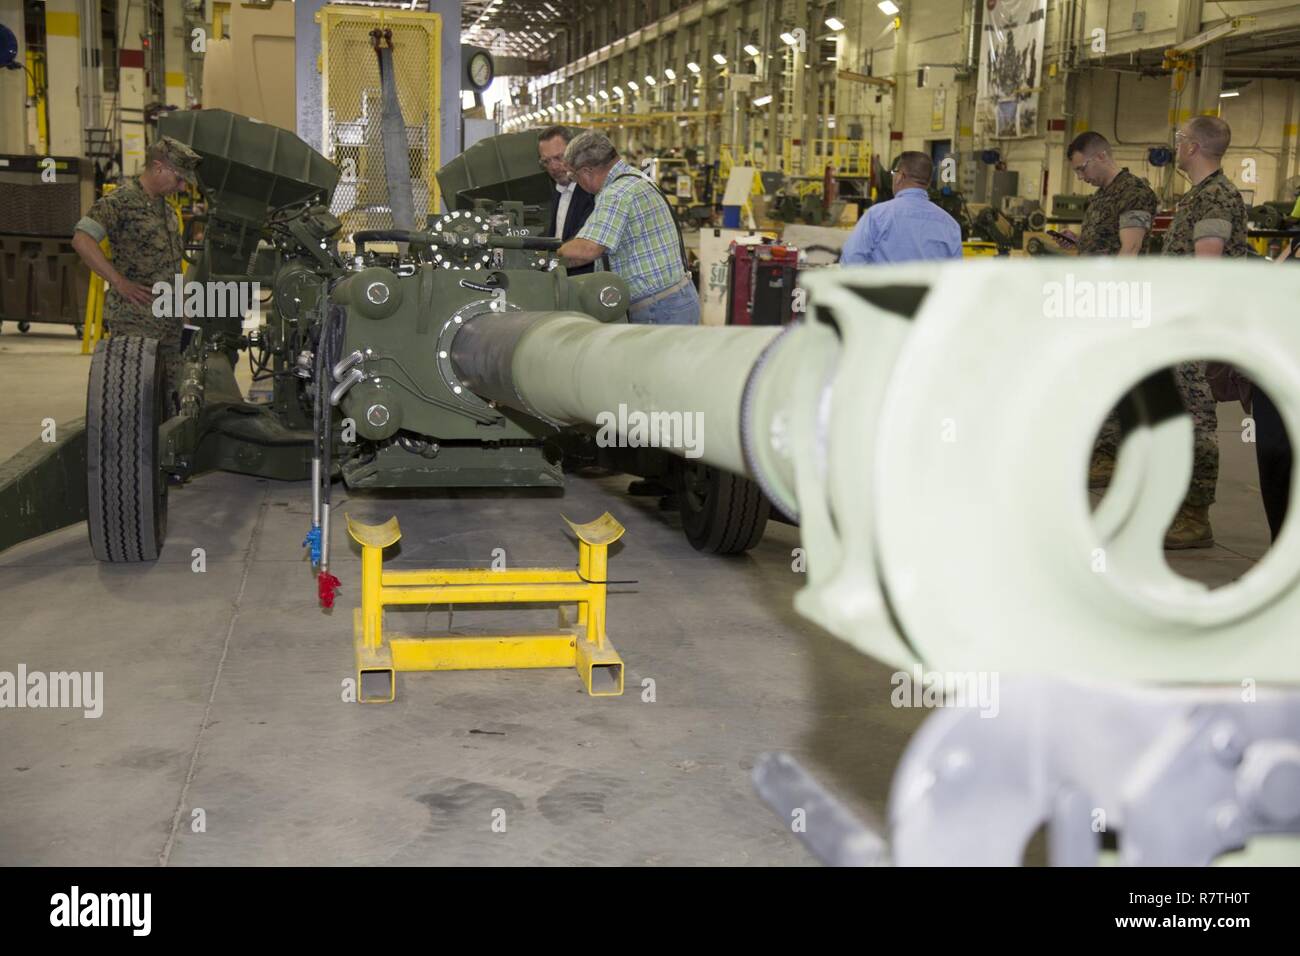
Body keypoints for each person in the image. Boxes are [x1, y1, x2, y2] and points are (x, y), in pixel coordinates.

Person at [1159, 115, 1250, 548]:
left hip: (1194, 329)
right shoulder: (1200, 195)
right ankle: (1180, 506)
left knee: (1195, 421)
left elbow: (1207, 264)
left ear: (1193, 147)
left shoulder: (1214, 197)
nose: (1176, 146)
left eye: (1180, 140)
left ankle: (1194, 517)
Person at [72, 137, 199, 408]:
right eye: (178, 179)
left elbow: (172, 262)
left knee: (174, 399)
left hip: (171, 323)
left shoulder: (166, 209)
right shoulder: (120, 201)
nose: (182, 186)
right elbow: (82, 239)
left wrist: (185, 310)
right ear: (158, 167)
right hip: (136, 323)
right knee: (135, 403)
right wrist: (119, 282)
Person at [1069, 131, 1160, 493]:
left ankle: (1112, 457)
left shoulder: (1133, 193)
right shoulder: (1103, 197)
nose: (1081, 177)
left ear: (1101, 156)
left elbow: (1131, 249)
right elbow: (1108, 245)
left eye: (1082, 168)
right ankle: (1102, 453)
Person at [558, 131, 699, 325]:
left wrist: (548, 258)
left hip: (658, 310)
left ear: (586, 171)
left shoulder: (616, 194)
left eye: (574, 176)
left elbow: (587, 250)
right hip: (675, 300)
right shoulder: (635, 178)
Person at [840, 151, 962, 264]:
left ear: (899, 177)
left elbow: (851, 260)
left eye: (894, 173)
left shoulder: (877, 216)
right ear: (928, 182)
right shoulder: (950, 225)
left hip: (884, 287)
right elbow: (956, 276)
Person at [537, 125, 595, 275]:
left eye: (558, 157)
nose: (553, 167)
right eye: (546, 161)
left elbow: (584, 245)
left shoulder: (591, 193)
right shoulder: (559, 190)